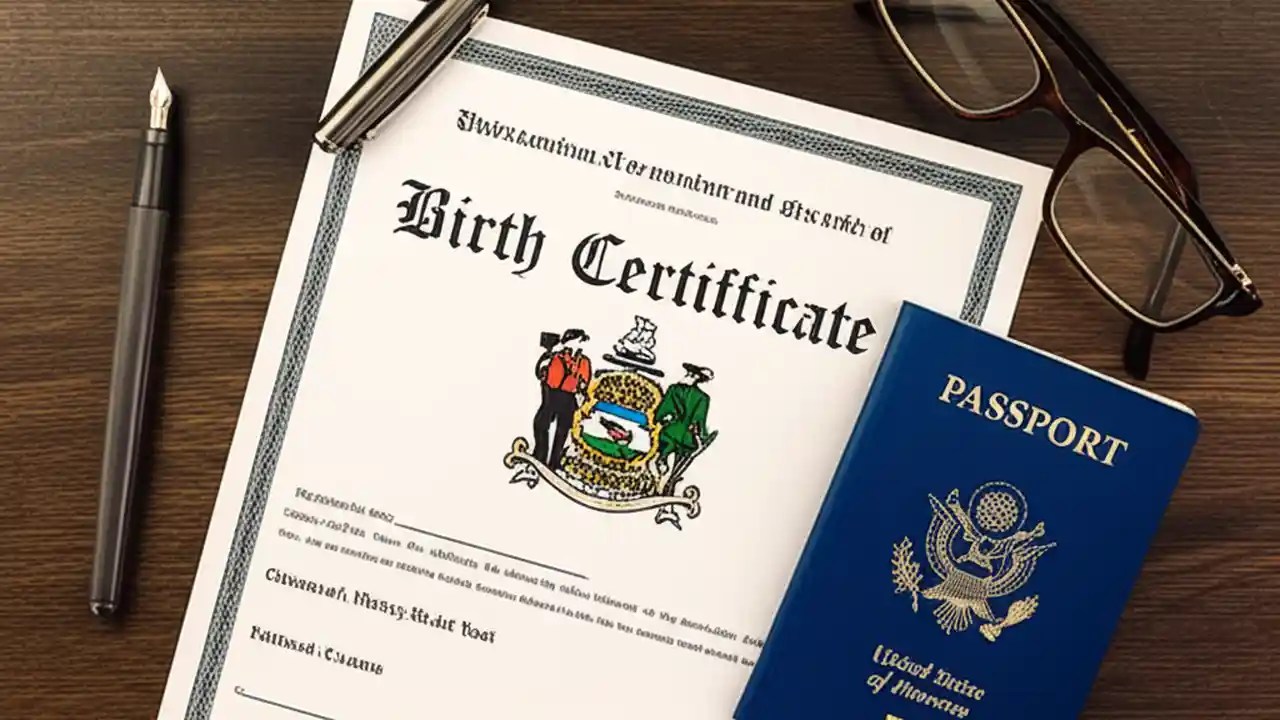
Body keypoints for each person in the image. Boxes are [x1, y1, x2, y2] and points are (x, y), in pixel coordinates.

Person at [532, 329, 592, 471]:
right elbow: (541, 372)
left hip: (569, 397)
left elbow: (585, 380)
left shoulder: (583, 361)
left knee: (563, 430)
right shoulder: (556, 356)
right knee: (541, 424)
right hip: (552, 394)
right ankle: (539, 456)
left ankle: (555, 461)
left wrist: (581, 391)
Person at [654, 363, 715, 478]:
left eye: (693, 374)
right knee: (667, 443)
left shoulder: (702, 397)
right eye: (689, 373)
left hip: (687, 434)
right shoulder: (674, 389)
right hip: (671, 429)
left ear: (698, 378)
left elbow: (699, 417)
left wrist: (698, 432)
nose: (689, 375)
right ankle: (662, 462)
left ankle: (669, 475)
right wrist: (665, 416)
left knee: (681, 454)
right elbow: (665, 406)